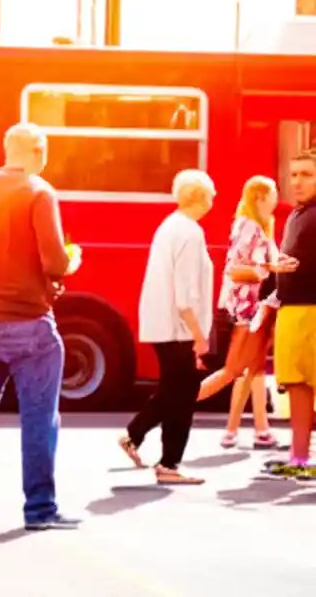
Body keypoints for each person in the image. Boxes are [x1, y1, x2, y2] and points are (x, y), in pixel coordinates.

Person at [0, 123, 80, 531]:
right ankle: (40, 509)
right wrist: (69, 262)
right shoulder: (39, 191)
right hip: (27, 324)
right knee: (39, 418)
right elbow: (53, 262)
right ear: (38, 151)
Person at [120, 169, 218, 485]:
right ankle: (169, 464)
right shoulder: (190, 232)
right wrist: (199, 336)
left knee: (175, 389)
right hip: (179, 328)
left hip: (162, 323)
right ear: (202, 197)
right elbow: (185, 292)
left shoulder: (170, 225)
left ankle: (134, 435)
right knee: (183, 396)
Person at [198, 176, 292, 449]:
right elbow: (235, 268)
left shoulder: (257, 225)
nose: (276, 199)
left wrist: (279, 264)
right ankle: (173, 405)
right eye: (273, 194)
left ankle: (255, 430)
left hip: (254, 307)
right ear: (260, 197)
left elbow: (263, 261)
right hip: (245, 308)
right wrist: (270, 269)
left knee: (254, 368)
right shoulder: (249, 226)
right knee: (234, 370)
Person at [266, 149, 316, 478]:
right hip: (291, 310)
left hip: (311, 310)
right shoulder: (297, 215)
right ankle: (299, 459)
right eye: (294, 174)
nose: (297, 181)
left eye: (307, 175)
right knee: (297, 385)